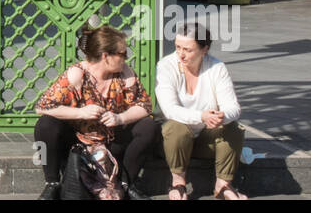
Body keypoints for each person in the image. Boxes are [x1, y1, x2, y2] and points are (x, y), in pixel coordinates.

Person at [34, 24, 157, 200]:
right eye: (122, 53)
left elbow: (145, 106)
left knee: (148, 126)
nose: (126, 57)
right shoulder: (78, 73)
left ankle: (126, 184)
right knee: (46, 124)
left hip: (111, 141)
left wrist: (120, 118)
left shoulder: (125, 74)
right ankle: (52, 183)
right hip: (79, 142)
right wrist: (81, 113)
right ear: (106, 56)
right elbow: (43, 106)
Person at [156, 22, 247, 199]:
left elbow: (233, 107)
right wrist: (201, 116)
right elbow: (169, 109)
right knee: (176, 127)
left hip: (207, 139)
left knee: (233, 128)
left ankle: (223, 185)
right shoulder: (166, 66)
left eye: (188, 50)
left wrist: (222, 116)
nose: (180, 55)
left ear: (204, 49)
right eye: (177, 47)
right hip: (175, 143)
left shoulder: (216, 67)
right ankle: (178, 183)